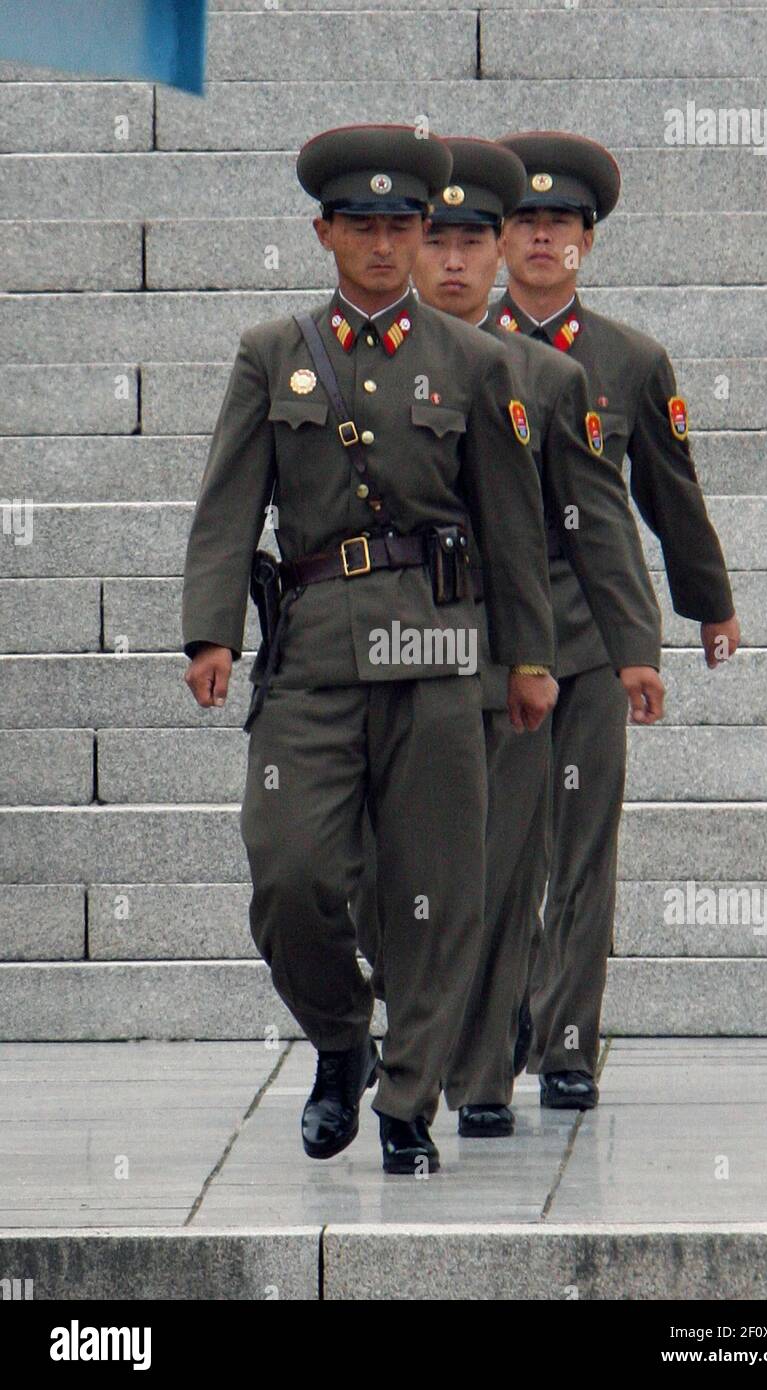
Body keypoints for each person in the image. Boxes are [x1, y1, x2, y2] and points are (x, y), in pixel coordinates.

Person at [180, 124, 558, 1174]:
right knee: (289, 870)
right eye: (365, 226)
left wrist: (527, 657)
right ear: (325, 232)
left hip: (438, 653)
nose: (388, 245)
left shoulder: (476, 363)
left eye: (404, 225)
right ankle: (342, 1039)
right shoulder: (273, 357)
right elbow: (227, 505)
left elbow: (513, 523)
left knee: (440, 889)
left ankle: (407, 1098)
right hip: (311, 656)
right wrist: (211, 628)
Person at [355, 135, 664, 1138]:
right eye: (431, 238)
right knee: (376, 866)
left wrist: (632, 644)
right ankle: (400, 1031)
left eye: (466, 241)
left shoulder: (550, 378)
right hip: (389, 648)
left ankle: (481, 1076)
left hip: (513, 653)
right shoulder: (353, 366)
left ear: (492, 254)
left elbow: (598, 521)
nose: (448, 260)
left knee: (504, 862)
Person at [495, 130, 741, 1109]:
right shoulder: (457, 344)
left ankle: (564, 1044)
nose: (545, 238)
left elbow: (669, 496)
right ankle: (491, 1024)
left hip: (591, 639)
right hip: (488, 638)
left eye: (562, 224)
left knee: (582, 845)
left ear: (586, 242)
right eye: (527, 222)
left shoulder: (630, 359)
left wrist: (709, 602)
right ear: (500, 238)